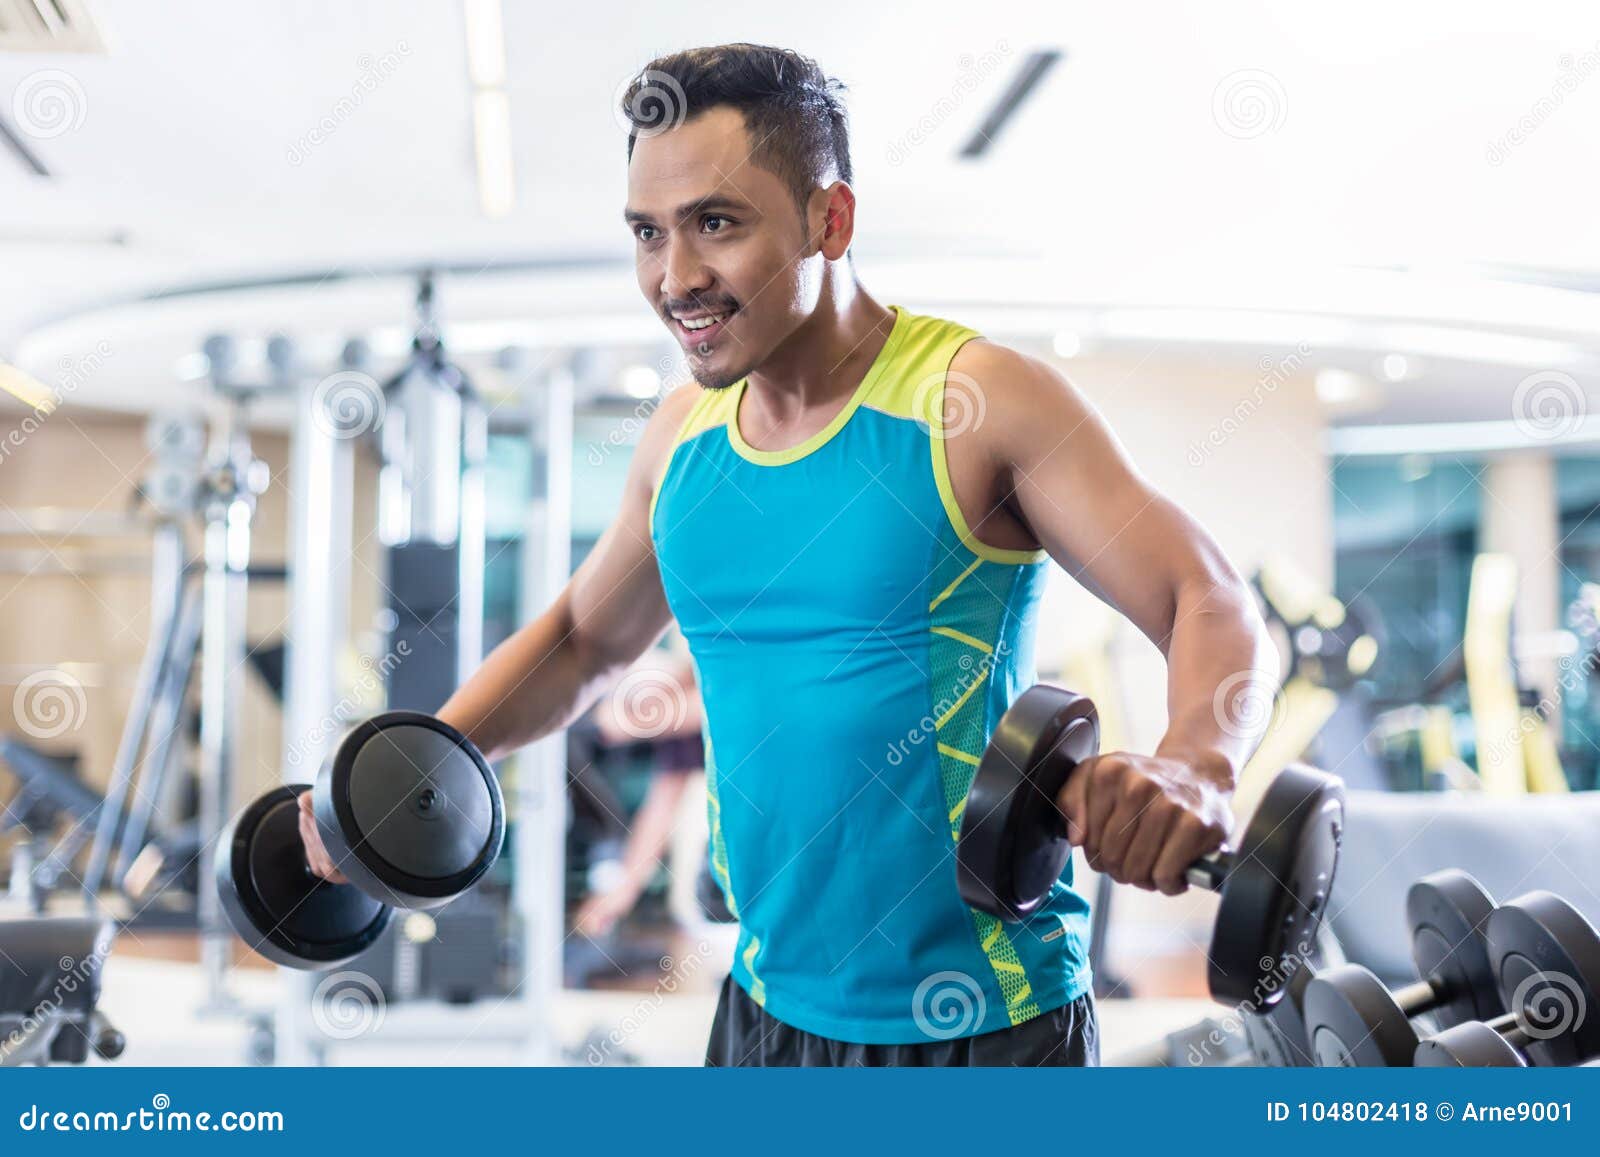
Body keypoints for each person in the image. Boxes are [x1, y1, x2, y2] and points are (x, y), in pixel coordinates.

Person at [302, 43, 1277, 1067]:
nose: (675, 278)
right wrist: (399, 784)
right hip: (764, 1004)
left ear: (831, 218)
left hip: (981, 1023)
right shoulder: (683, 436)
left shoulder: (971, 401)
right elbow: (583, 639)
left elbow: (1200, 594)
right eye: (648, 233)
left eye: (715, 224)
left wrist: (1197, 766)